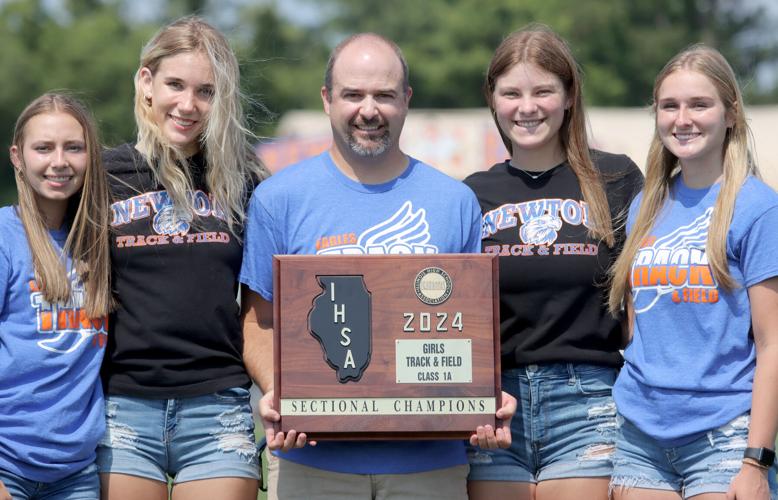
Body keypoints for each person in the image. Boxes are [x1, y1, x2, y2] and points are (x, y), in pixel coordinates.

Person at [239, 32, 516, 500]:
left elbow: (474, 332)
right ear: (327, 100)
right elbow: (257, 320)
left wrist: (485, 397)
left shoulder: (455, 202)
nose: (369, 110)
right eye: (353, 94)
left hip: (429, 465)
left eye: (384, 95)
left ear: (406, 100)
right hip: (312, 460)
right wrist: (279, 392)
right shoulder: (278, 199)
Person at [462, 25, 644, 500]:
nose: (527, 107)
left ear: (568, 97)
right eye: (512, 93)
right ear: (493, 99)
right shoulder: (469, 195)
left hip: (588, 401)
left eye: (544, 91)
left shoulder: (617, 178)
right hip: (494, 407)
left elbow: (643, 303)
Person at [96, 16, 268, 500]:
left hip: (218, 406)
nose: (188, 105)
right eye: (175, 84)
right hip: (122, 405)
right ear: (146, 82)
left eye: (206, 91)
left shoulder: (246, 182)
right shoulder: (102, 177)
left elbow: (271, 299)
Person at [608, 45, 778, 500]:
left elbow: (772, 344)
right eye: (670, 106)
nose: (682, 119)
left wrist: (756, 461)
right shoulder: (647, 203)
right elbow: (635, 321)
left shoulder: (759, 208)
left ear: (731, 114)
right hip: (639, 436)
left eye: (699, 104)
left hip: (723, 437)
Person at [0, 93, 113, 500]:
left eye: (74, 147)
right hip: (6, 466)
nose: (59, 161)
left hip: (76, 473)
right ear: (17, 156)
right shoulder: (4, 238)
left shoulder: (101, 243)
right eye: (43, 148)